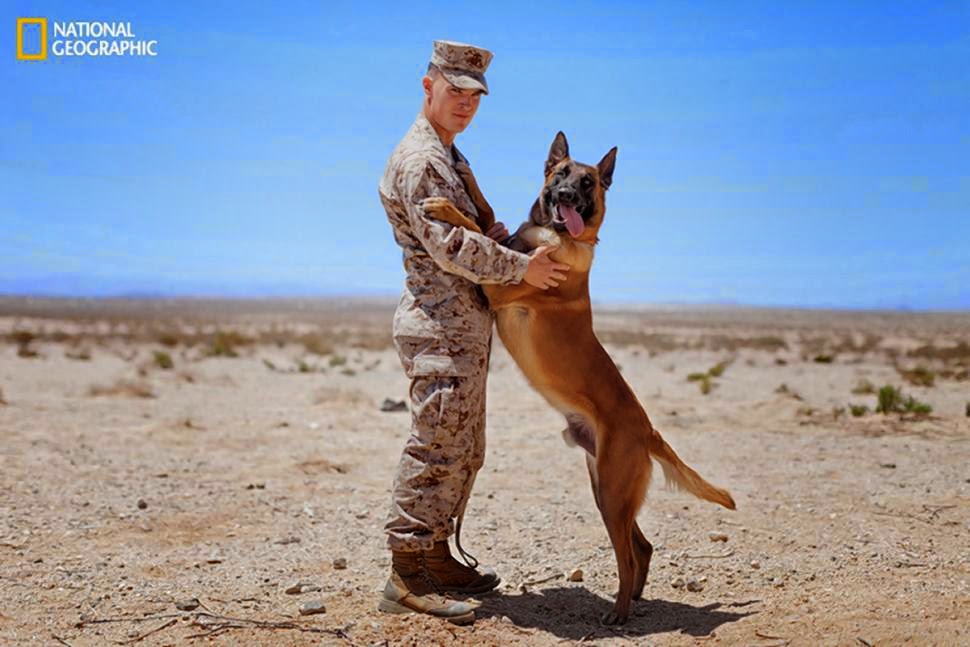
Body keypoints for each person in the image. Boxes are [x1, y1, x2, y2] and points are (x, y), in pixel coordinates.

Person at [377, 40, 569, 625]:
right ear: (427, 84)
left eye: (474, 95)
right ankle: (406, 576)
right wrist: (521, 267)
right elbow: (449, 245)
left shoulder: (451, 157)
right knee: (435, 443)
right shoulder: (422, 160)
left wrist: (503, 239)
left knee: (463, 447)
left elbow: (470, 229)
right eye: (454, 91)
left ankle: (436, 554)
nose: (465, 103)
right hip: (437, 325)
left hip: (461, 327)